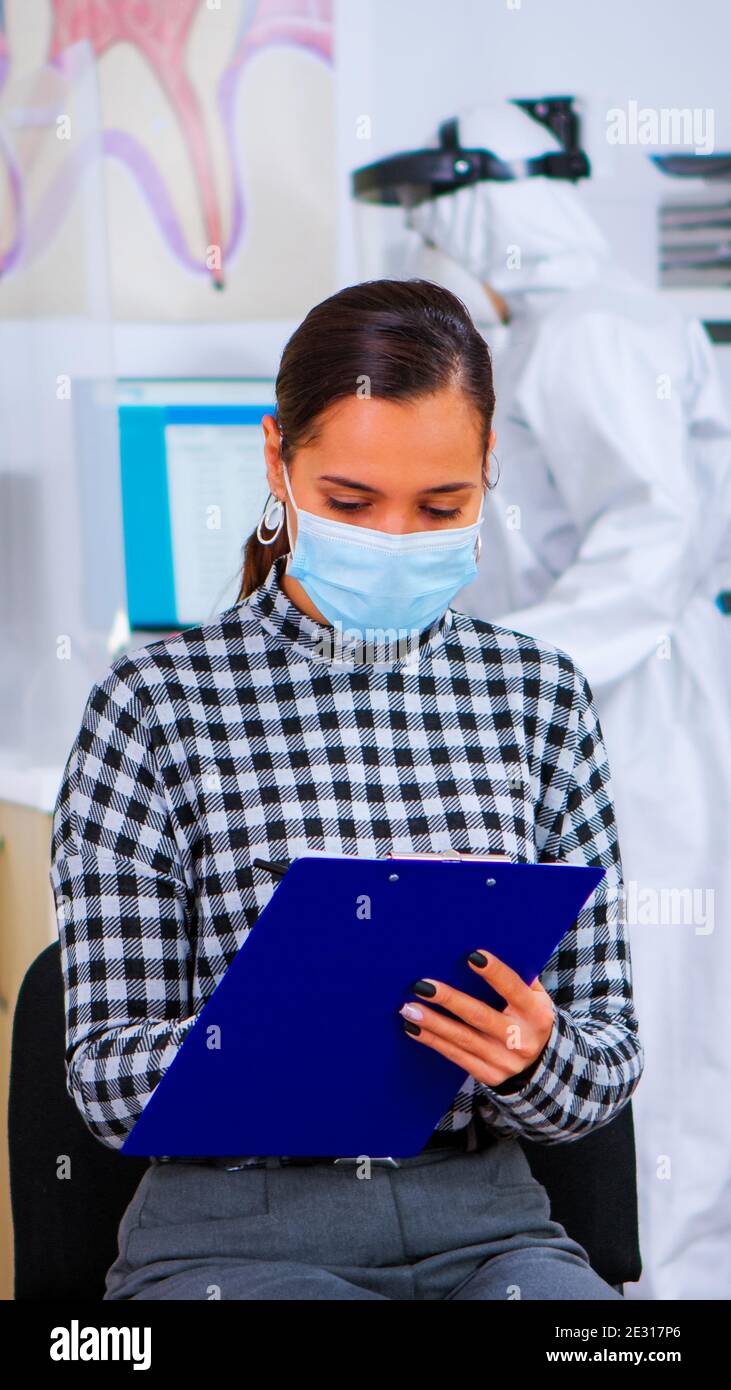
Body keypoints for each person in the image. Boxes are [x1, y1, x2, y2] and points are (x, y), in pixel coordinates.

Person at [49, 279, 643, 1302]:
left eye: (441, 505)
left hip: (490, 1228)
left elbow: (605, 1052)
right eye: (351, 502)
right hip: (231, 1238)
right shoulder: (152, 704)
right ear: (277, 459)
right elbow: (104, 1077)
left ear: (488, 466)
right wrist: (287, 1028)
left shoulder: (541, 697)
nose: (397, 537)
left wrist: (531, 1054)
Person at [406, 101, 731, 1301]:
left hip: (633, 718)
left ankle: (665, 1300)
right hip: (598, 707)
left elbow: (645, 540)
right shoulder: (555, 333)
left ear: (478, 213)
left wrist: (489, 675)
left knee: (656, 1033)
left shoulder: (586, 332)